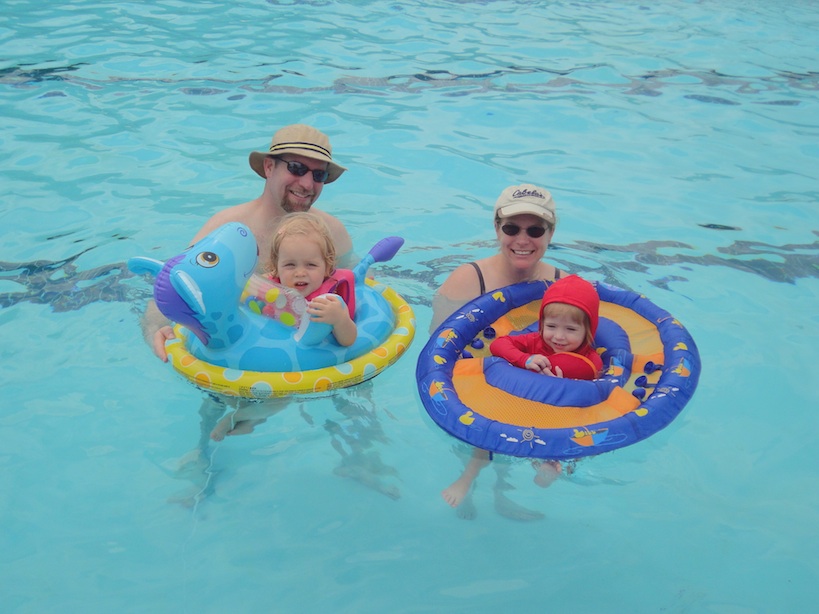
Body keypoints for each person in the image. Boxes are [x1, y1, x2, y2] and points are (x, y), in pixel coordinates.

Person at [141, 123, 353, 361]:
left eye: (318, 175)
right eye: (296, 168)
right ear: (269, 166)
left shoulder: (332, 232)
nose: (306, 184)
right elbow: (176, 283)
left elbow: (360, 289)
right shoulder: (226, 230)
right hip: (241, 353)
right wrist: (155, 330)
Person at [432, 183, 567, 520]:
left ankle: (503, 493)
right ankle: (472, 481)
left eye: (535, 230)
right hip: (477, 386)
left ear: (551, 233)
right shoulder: (466, 282)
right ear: (496, 228)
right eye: (511, 228)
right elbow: (436, 353)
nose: (522, 240)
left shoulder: (563, 285)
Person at [266, 212, 357, 346]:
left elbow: (349, 341)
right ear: (276, 268)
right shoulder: (270, 290)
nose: (300, 272)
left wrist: (340, 320)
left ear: (327, 267)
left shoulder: (329, 302)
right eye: (290, 265)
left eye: (311, 265)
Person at [489, 274, 603, 381]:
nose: (558, 336)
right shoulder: (536, 341)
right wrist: (525, 359)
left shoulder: (591, 363)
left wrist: (564, 385)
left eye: (570, 329)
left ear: (588, 330)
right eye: (551, 326)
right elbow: (497, 344)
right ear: (542, 324)